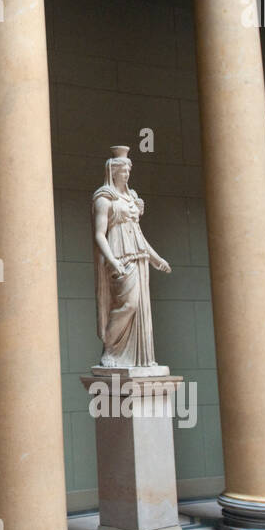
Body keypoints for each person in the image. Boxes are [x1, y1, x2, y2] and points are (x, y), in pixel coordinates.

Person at [92, 146, 171, 368]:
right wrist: (112, 260)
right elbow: (99, 235)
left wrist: (157, 259)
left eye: (129, 171)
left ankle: (141, 359)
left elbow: (138, 235)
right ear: (113, 172)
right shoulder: (104, 199)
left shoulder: (132, 199)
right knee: (128, 304)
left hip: (138, 257)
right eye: (123, 171)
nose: (126, 174)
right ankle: (110, 348)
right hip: (119, 257)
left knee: (140, 308)